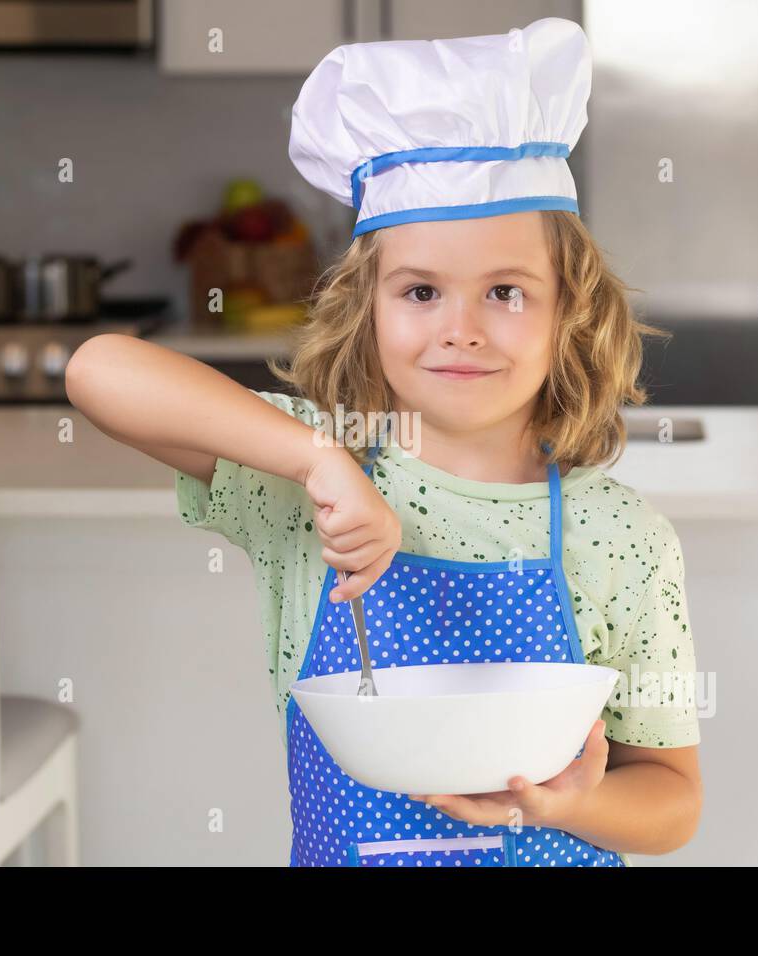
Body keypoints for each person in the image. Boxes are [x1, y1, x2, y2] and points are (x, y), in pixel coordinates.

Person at [66, 17, 702, 867]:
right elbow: (98, 369)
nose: (462, 330)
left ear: (570, 314)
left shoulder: (626, 542)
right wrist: (318, 459)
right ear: (366, 311)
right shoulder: (302, 483)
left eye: (506, 291)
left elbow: (672, 799)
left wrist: (578, 803)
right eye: (421, 291)